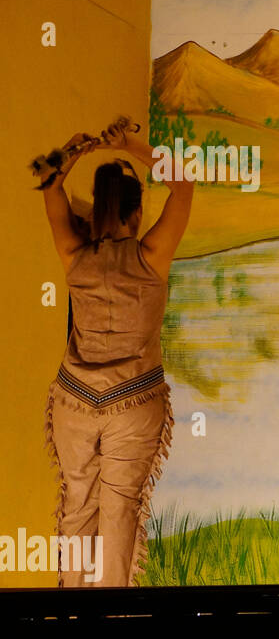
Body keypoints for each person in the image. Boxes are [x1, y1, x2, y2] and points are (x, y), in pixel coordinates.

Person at [41, 123, 193, 587]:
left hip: (74, 399)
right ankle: (111, 630)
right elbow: (184, 185)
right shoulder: (151, 257)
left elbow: (49, 181)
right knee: (120, 511)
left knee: (76, 508)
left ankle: (72, 620)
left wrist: (75, 149)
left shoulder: (75, 256)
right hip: (133, 402)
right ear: (137, 209)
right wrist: (128, 145)